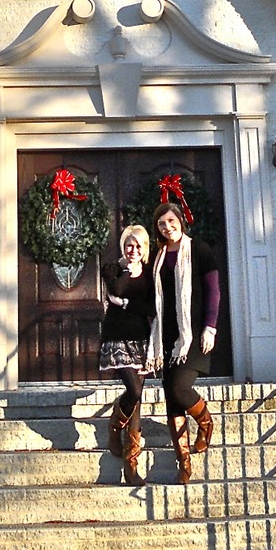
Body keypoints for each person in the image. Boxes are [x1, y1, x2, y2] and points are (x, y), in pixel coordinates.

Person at [147, 201, 219, 483]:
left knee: (180, 388)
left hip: (193, 335)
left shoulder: (200, 249)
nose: (167, 227)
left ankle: (206, 421)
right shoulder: (158, 255)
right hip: (166, 336)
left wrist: (210, 328)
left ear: (180, 220)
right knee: (172, 401)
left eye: (171, 221)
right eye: (161, 224)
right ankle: (184, 464)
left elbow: (213, 291)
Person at [99, 223, 153, 482]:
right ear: (123, 246)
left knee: (138, 398)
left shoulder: (150, 273)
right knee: (134, 391)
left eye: (138, 246)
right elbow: (116, 291)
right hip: (116, 337)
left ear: (144, 248)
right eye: (129, 245)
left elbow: (151, 305)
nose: (133, 250)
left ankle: (131, 465)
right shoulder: (113, 268)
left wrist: (128, 305)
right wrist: (129, 272)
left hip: (141, 339)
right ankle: (114, 426)